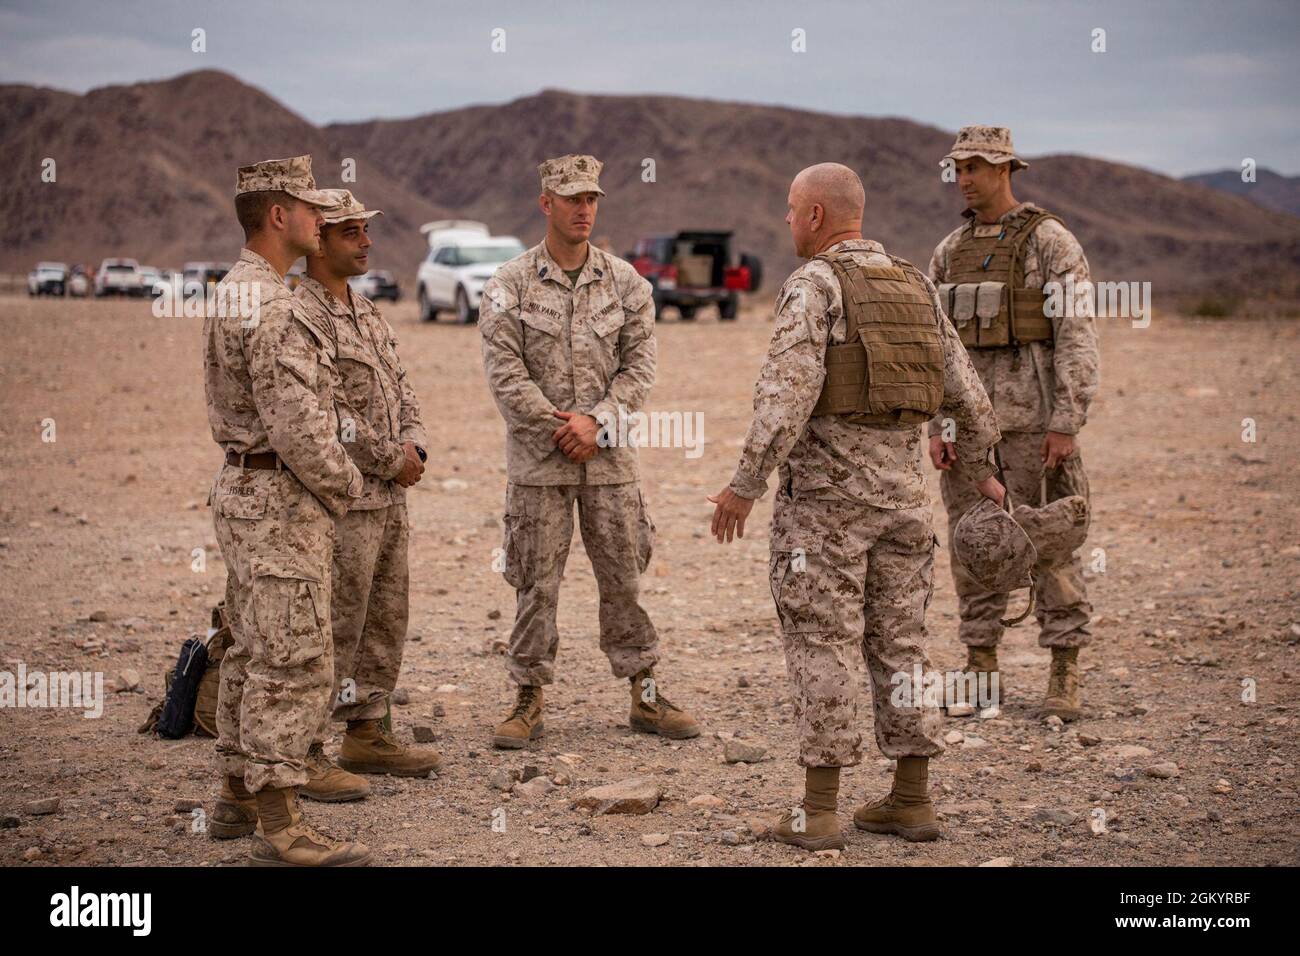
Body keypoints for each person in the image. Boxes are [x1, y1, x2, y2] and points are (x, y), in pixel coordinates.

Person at [709, 163, 1004, 850]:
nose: (786, 222)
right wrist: (975, 465)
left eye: (791, 209)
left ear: (816, 216)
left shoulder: (815, 286)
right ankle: (911, 799)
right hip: (905, 504)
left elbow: (785, 397)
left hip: (827, 511)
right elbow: (971, 400)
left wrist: (743, 486)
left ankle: (817, 813)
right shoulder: (913, 284)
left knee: (822, 641)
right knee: (903, 644)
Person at [479, 154, 701, 749]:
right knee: (536, 584)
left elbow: (640, 367)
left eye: (592, 198)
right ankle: (528, 697)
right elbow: (505, 374)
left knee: (623, 579)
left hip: (610, 465)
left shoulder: (627, 283)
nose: (584, 209)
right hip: (540, 464)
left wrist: (597, 424)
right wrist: (563, 426)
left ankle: (645, 693)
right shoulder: (508, 285)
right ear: (545, 202)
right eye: (571, 198)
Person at [204, 155, 369, 866]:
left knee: (248, 641)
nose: (319, 218)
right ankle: (281, 821)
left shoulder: (235, 289)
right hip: (278, 500)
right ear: (280, 217)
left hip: (244, 489)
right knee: (293, 654)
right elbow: (301, 428)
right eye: (309, 207)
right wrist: (349, 487)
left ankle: (235, 796)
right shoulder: (273, 304)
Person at [928, 126, 1099, 720]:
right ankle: (981, 667)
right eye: (960, 167)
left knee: (1046, 541)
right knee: (972, 545)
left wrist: (1067, 420)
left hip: (1034, 426)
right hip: (972, 432)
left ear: (1006, 170)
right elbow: (938, 350)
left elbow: (1077, 333)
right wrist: (938, 427)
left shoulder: (1050, 242)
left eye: (976, 167)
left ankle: (1064, 668)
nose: (966, 178)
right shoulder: (949, 251)